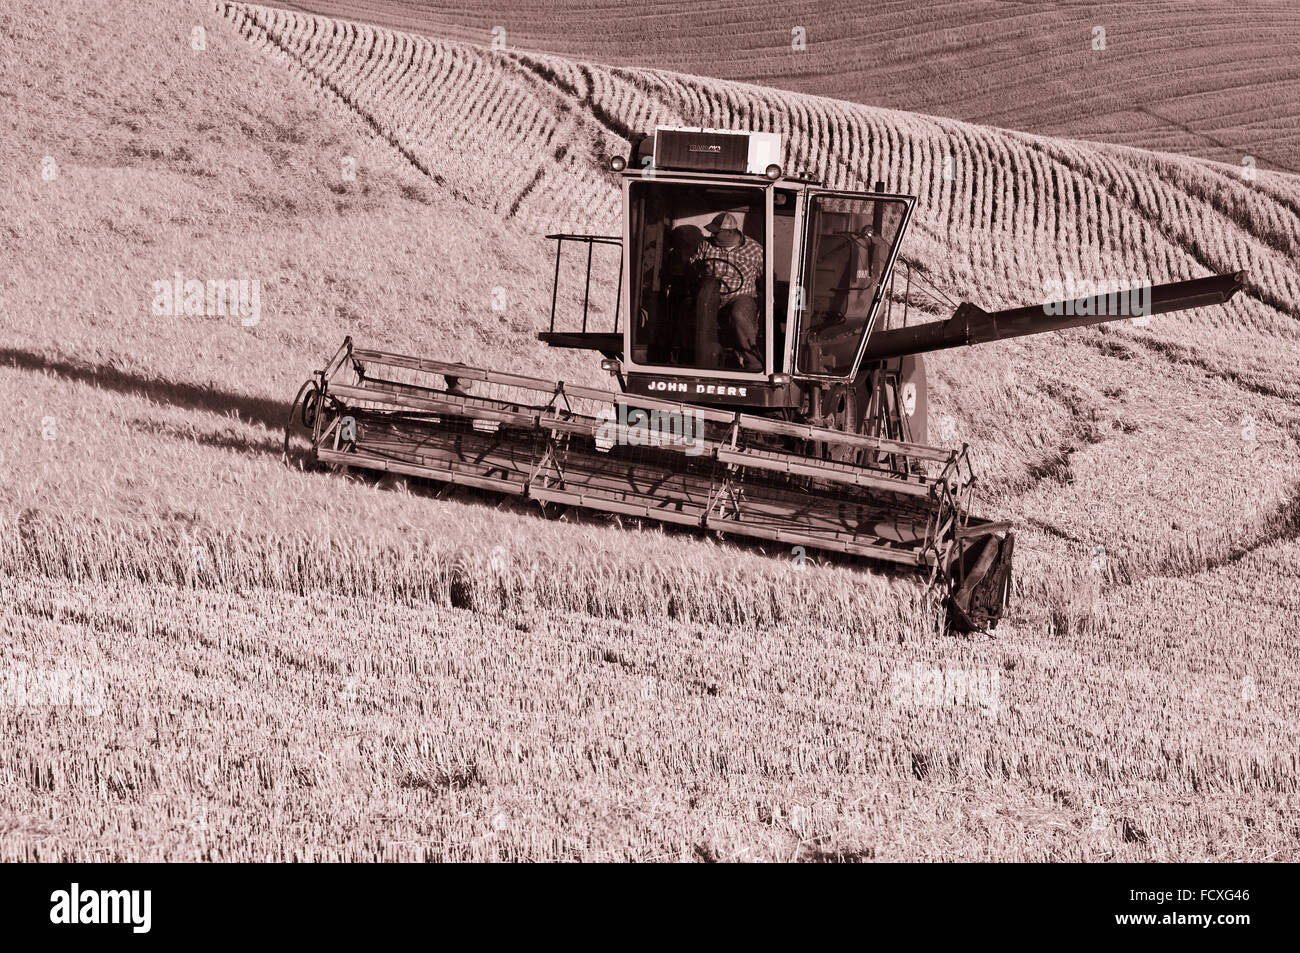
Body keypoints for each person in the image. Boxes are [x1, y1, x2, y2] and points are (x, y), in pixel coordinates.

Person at [692, 212, 764, 371]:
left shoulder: (755, 250)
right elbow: (693, 267)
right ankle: (690, 357)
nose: (712, 235)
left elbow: (766, 278)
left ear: (730, 232)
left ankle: (753, 361)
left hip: (740, 296)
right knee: (687, 308)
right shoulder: (705, 245)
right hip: (711, 295)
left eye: (716, 232)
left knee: (739, 313)